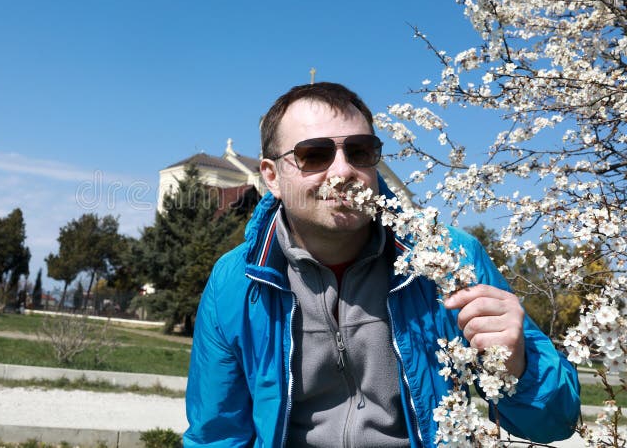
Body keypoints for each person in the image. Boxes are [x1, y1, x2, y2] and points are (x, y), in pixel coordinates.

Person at [183, 82, 580, 447]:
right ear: (272, 176)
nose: (342, 171)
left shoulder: (449, 259)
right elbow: (217, 435)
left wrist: (519, 367)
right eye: (314, 155)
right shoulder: (236, 281)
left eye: (359, 151)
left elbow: (554, 423)